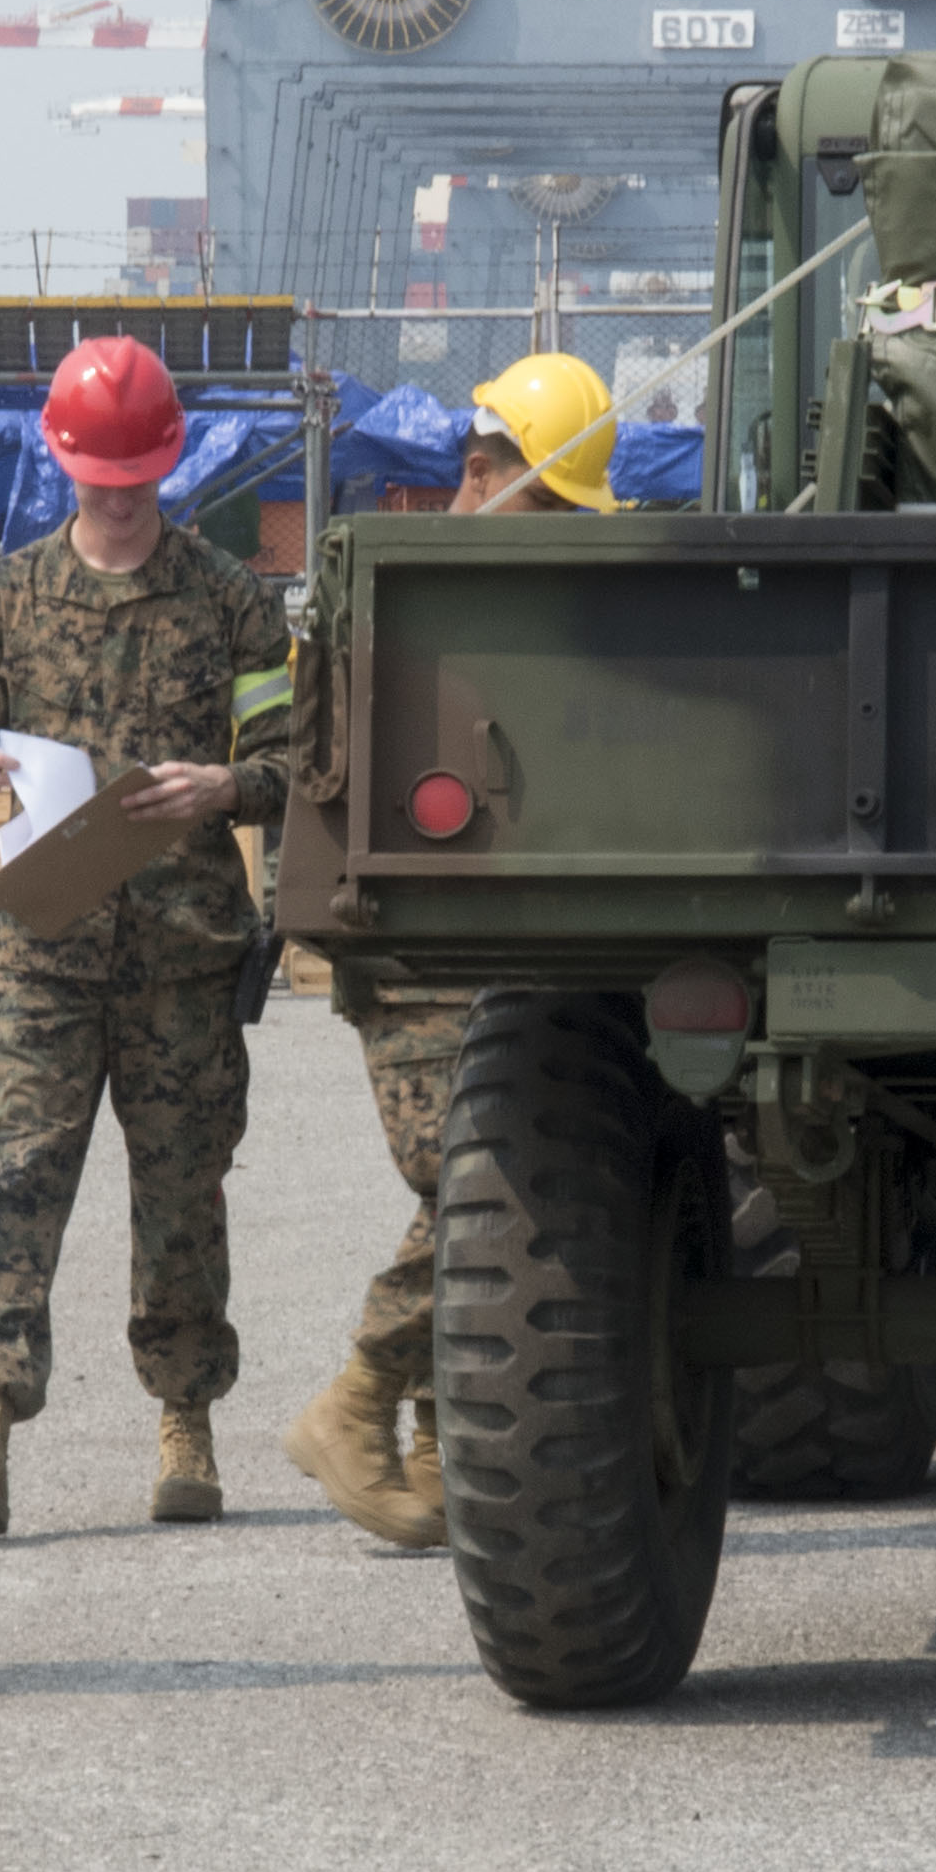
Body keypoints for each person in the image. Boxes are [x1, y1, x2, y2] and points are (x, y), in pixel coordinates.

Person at [0, 334, 293, 1537]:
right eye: (97, 477)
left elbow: (291, 762)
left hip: (183, 950)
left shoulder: (231, 601)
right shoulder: (2, 598)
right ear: (65, 464)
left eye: (136, 478)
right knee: (19, 1174)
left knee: (182, 1194)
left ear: (165, 467)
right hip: (46, 949)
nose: (116, 499)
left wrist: (226, 789)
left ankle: (186, 1422)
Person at [281, 352, 617, 1549]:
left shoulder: (516, 597)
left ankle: (442, 1450)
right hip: (422, 944)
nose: (563, 539)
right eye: (549, 506)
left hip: (516, 938)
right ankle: (358, 1401)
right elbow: (312, 761)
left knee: (492, 1183)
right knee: (480, 1186)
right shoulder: (394, 595)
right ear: (482, 475)